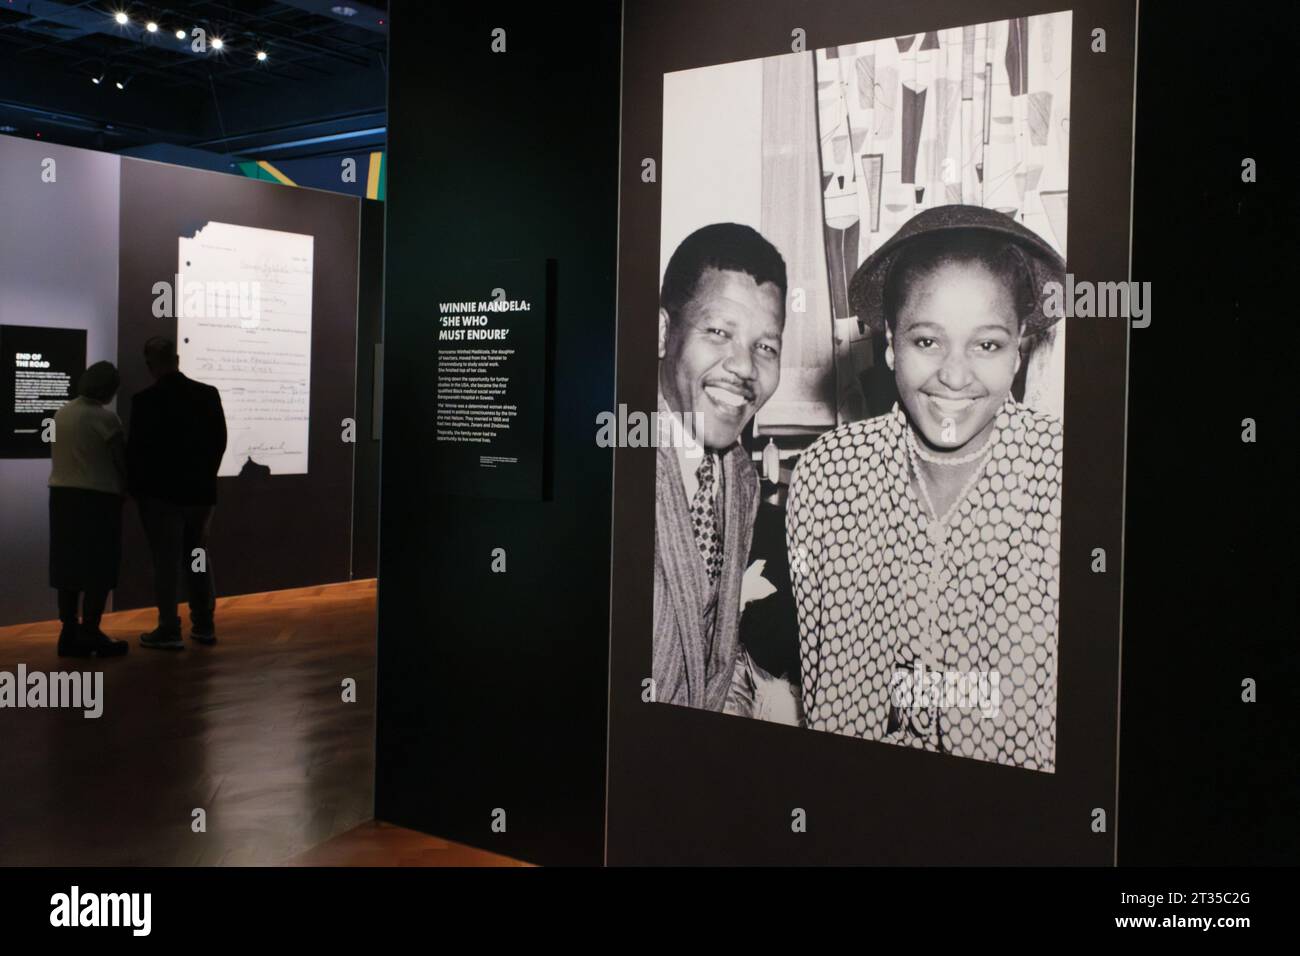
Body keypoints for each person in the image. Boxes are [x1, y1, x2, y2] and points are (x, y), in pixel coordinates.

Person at [786, 205, 1065, 771]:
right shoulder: (826, 478)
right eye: (927, 342)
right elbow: (820, 684)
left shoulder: (1067, 478)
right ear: (890, 343)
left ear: (1018, 351)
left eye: (986, 345)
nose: (955, 376)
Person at [652, 222, 789, 711]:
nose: (746, 367)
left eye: (765, 346)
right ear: (663, 332)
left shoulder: (740, 479)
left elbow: (715, 657)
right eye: (718, 332)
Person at [127, 337, 227, 650]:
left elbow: (138, 453)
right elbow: (219, 442)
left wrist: (138, 491)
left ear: (149, 363)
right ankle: (204, 624)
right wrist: (205, 478)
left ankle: (169, 627)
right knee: (197, 556)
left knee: (166, 562)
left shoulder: (145, 401)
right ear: (177, 358)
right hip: (199, 494)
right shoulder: (207, 394)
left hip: (160, 497)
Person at [48, 361, 129, 657]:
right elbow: (121, 461)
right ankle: (91, 630)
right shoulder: (107, 420)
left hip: (62, 496)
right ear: (109, 389)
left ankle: (68, 631)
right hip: (99, 498)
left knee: (67, 564)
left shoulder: (62, 413)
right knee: (99, 566)